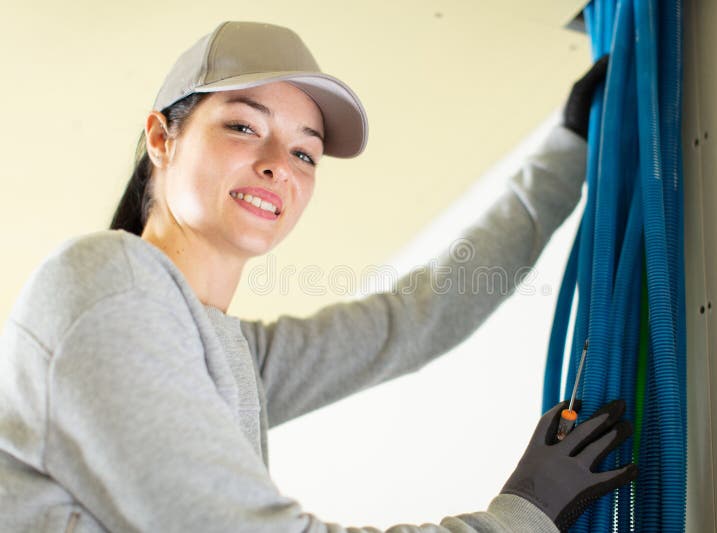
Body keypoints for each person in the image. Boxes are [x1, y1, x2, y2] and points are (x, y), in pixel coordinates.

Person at [0, 21, 634, 532]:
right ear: (161, 138)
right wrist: (521, 514)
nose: (279, 165)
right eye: (243, 126)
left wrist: (571, 145)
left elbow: (422, 318)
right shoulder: (106, 285)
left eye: (305, 151)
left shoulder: (224, 351)